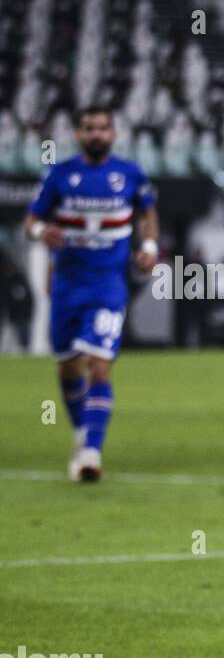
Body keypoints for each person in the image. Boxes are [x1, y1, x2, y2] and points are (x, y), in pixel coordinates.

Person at [24, 106, 158, 481]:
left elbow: (148, 212)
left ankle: (91, 453)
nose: (96, 134)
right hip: (67, 284)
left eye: (102, 128)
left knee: (99, 364)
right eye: (89, 128)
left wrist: (148, 246)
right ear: (78, 134)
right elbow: (31, 220)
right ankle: (83, 433)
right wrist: (39, 234)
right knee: (68, 366)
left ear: (113, 134)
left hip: (108, 284)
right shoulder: (60, 175)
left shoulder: (130, 174)